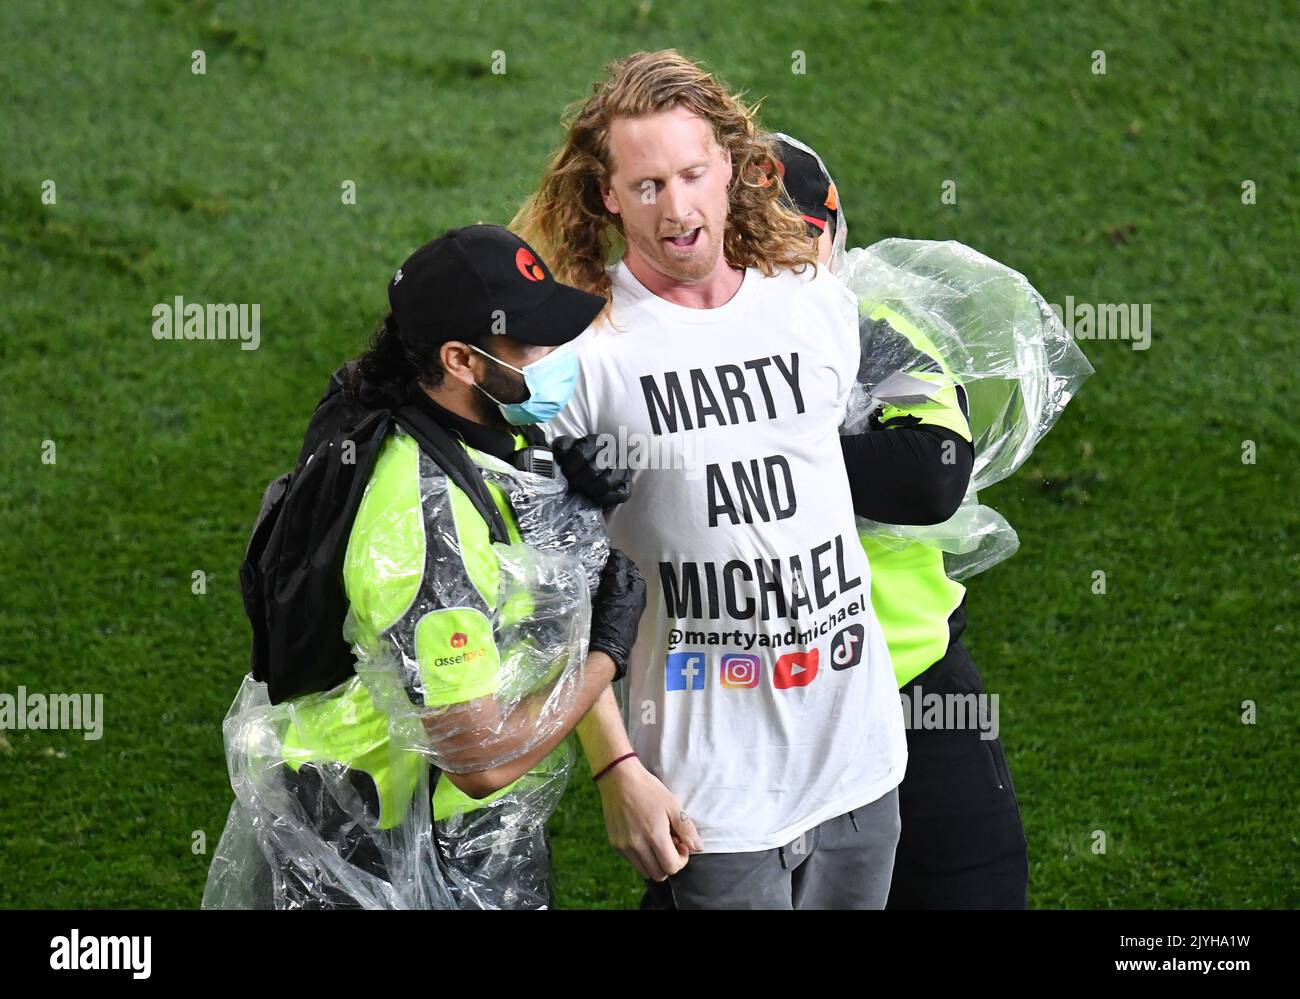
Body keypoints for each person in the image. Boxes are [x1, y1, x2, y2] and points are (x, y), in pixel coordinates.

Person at [512, 49, 909, 910]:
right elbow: (549, 589)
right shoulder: (581, 359)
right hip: (707, 790)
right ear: (607, 195)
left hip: (860, 761)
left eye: (693, 173)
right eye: (647, 185)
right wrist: (616, 765)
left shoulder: (812, 301)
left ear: (732, 166)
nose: (678, 208)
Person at [203, 224, 647, 910]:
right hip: (375, 849)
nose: (557, 355)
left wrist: (563, 496)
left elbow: (502, 554)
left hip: (420, 826)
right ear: (461, 360)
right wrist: (606, 654)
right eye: (533, 342)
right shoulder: (423, 525)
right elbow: (480, 757)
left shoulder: (441, 417)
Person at [770, 133, 1030, 908]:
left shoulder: (873, 329)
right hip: (759, 705)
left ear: (830, 235)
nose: (782, 268)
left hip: (914, 682)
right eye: (756, 245)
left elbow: (932, 474)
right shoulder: (669, 353)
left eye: (798, 241)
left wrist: (750, 457)